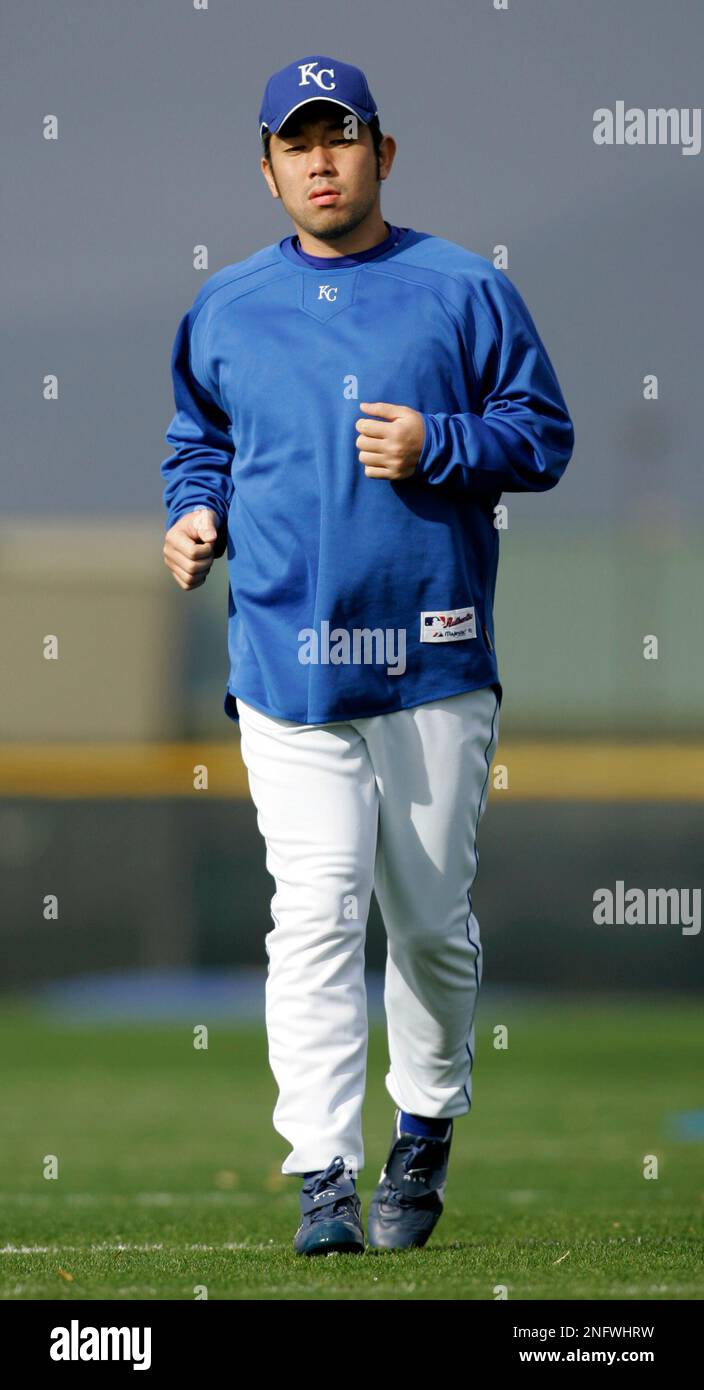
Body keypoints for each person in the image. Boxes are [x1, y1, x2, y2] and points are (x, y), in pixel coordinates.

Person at [160, 54, 575, 1256]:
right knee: (317, 908)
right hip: (285, 660)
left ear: (383, 153)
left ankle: (426, 1122)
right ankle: (324, 1174)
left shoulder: (462, 289)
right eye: (298, 142)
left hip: (432, 653)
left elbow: (539, 435)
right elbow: (201, 443)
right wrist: (195, 516)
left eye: (341, 136)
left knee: (429, 920)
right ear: (268, 168)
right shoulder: (227, 305)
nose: (322, 158)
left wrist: (439, 441)